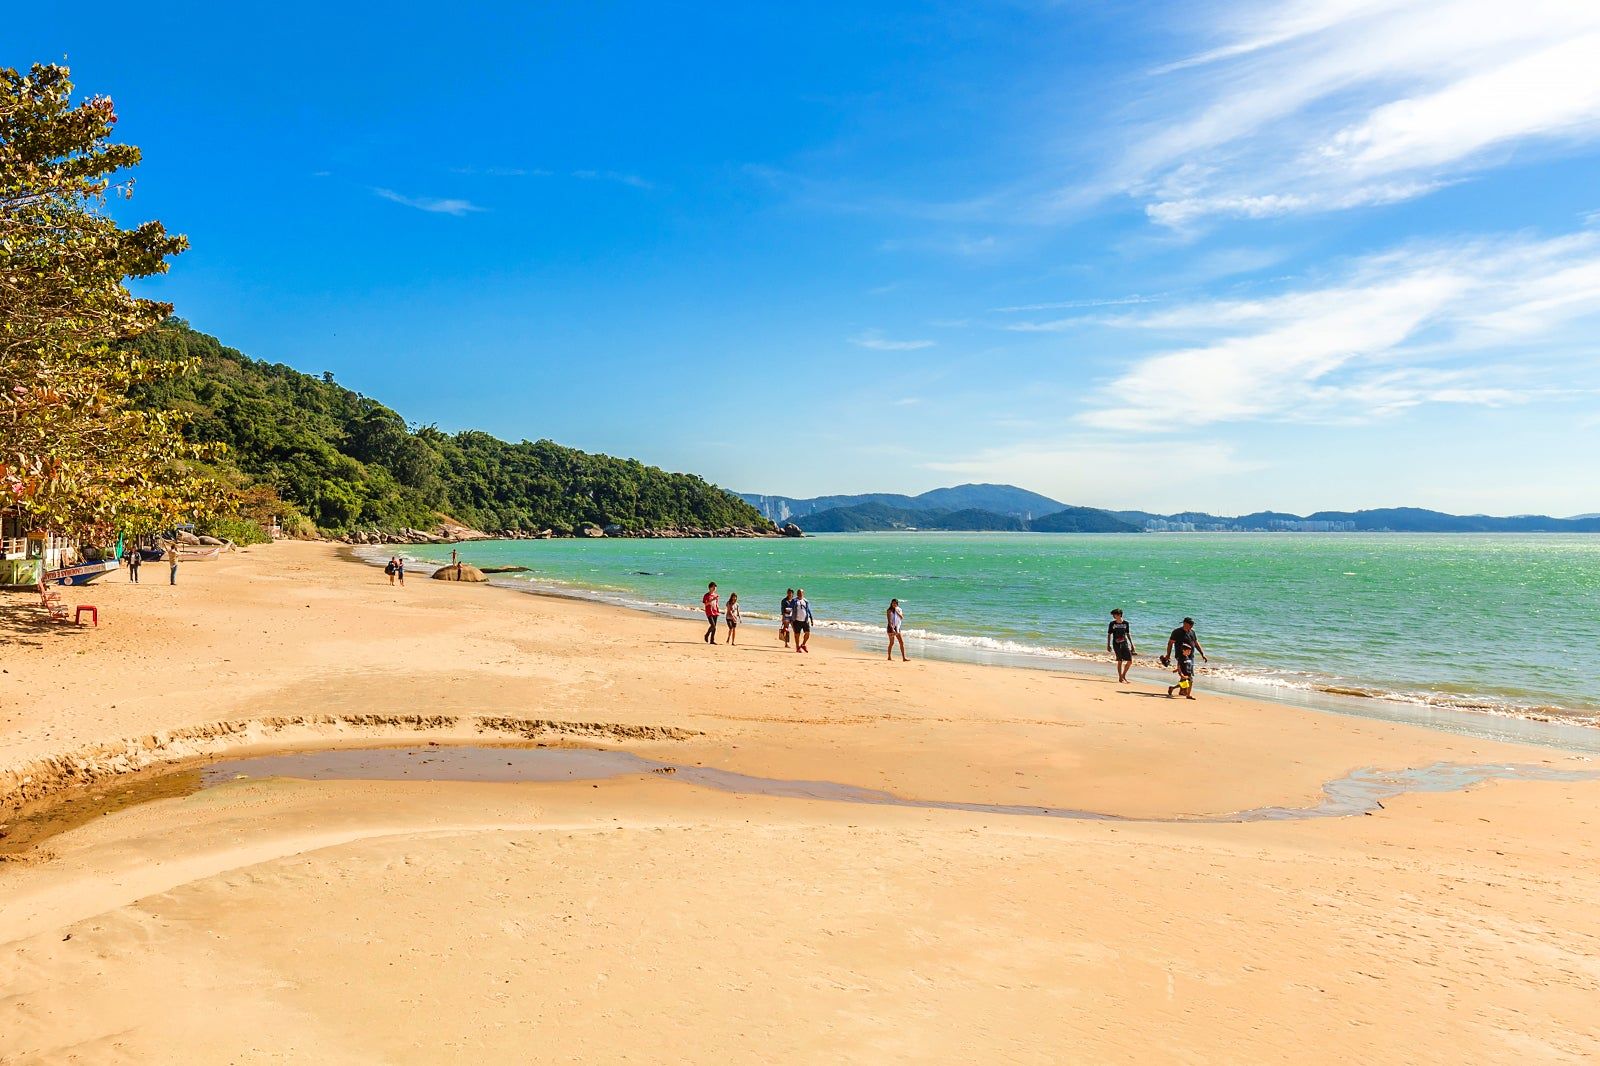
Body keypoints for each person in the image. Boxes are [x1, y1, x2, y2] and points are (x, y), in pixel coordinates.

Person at [1163, 617, 1208, 699]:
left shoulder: (1192, 632)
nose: (1192, 626)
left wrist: (1202, 654)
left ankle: (1180, 690)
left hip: (1190, 656)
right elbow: (1170, 643)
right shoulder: (1177, 632)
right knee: (1187, 675)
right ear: (1185, 623)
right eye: (1190, 624)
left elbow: (1196, 643)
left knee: (1187, 674)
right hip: (1181, 656)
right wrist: (1168, 655)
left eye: (1192, 625)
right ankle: (1184, 692)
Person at [1107, 608, 1135, 683]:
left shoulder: (1126, 623)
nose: (1113, 616)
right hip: (1116, 644)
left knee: (1129, 661)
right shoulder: (1112, 624)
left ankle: (1123, 675)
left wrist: (1132, 644)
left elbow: (1128, 634)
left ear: (1119, 615)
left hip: (1124, 643)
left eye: (1114, 614)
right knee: (1120, 661)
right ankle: (1120, 677)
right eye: (1113, 615)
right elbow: (1109, 634)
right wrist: (1108, 645)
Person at [790, 588, 813, 653]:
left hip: (805, 620)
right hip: (796, 620)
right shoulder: (794, 601)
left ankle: (803, 644)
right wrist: (788, 618)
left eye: (801, 593)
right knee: (797, 634)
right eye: (798, 593)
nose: (800, 594)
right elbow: (790, 608)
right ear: (797, 594)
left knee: (807, 633)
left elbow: (808, 610)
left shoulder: (806, 601)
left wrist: (811, 618)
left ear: (803, 594)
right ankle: (797, 647)